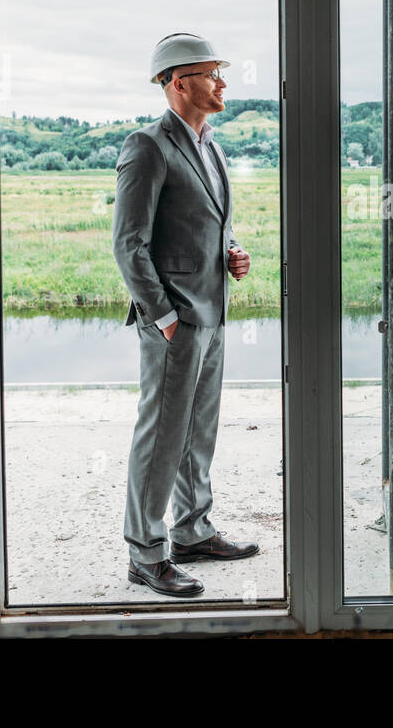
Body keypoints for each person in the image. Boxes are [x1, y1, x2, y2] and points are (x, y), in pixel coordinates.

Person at [112, 32, 259, 597]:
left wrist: (232, 252)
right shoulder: (146, 145)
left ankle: (192, 530)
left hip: (212, 314)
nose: (223, 81)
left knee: (198, 431)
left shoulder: (210, 144)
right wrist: (164, 317)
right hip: (174, 322)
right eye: (211, 73)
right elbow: (129, 244)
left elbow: (209, 222)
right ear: (179, 82)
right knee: (161, 436)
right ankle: (146, 555)